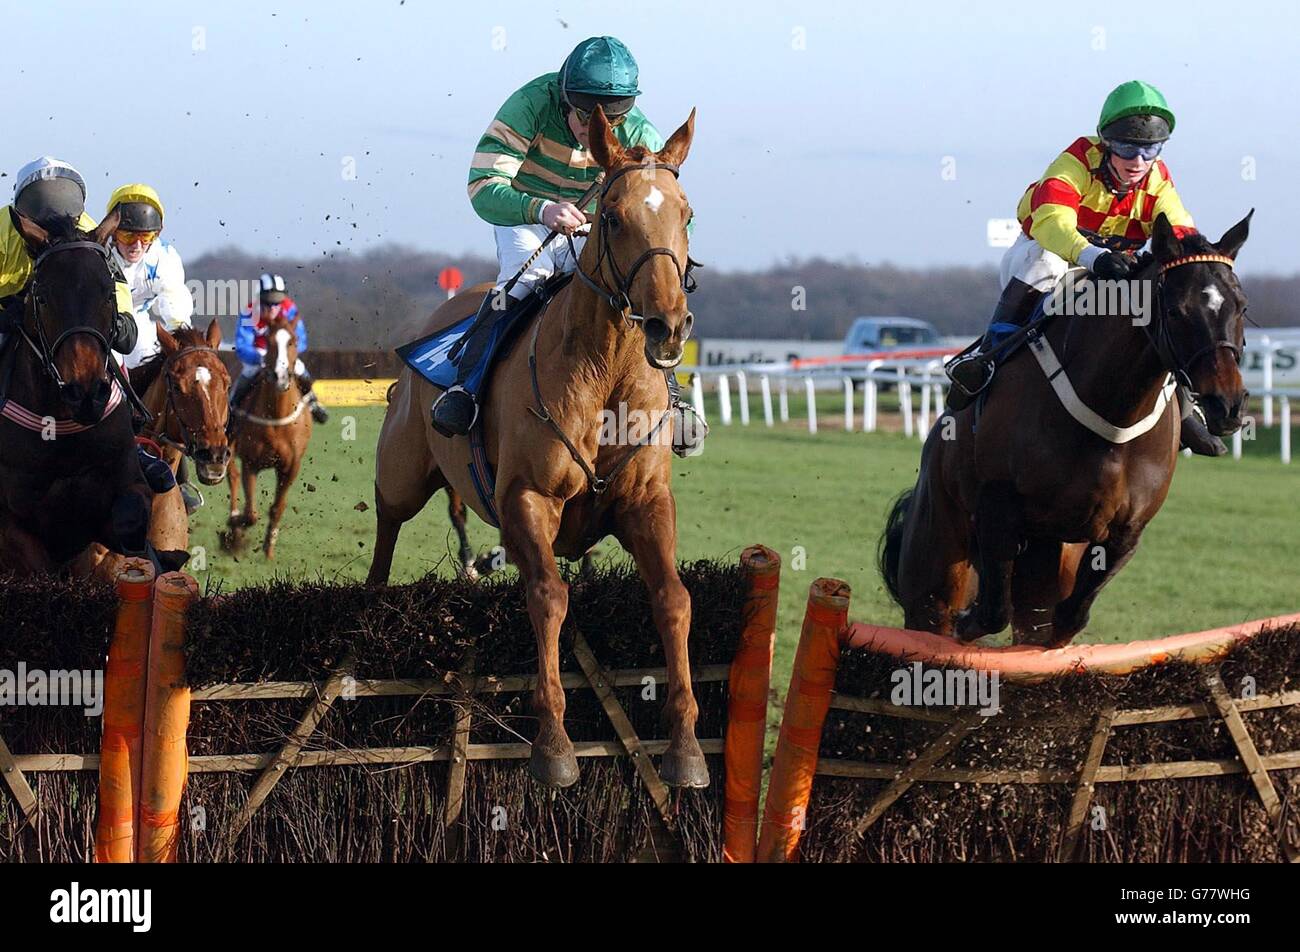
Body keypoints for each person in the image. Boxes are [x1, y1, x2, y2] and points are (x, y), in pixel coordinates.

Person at [431, 35, 705, 456]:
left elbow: (662, 211)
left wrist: (668, 261)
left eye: (617, 118)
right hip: (525, 214)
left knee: (635, 295)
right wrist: (541, 210)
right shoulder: (528, 107)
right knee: (526, 281)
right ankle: (464, 390)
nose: (602, 128)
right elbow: (482, 187)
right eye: (586, 116)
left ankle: (672, 401)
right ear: (564, 97)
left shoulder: (639, 132)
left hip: (598, 225)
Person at [944, 81, 1225, 455]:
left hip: (1116, 265)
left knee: (1165, 301)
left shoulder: (1157, 180)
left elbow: (1178, 230)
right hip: (1050, 251)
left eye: (1149, 149)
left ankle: (1184, 405)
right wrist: (1093, 256)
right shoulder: (1074, 162)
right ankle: (985, 364)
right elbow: (1052, 224)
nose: (1138, 162)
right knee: (1040, 264)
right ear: (1106, 142)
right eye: (1127, 147)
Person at [0, 157, 176, 492]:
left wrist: (123, 318)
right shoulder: (2, 229)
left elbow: (114, 283)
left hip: (57, 321)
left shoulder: (88, 228)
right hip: (11, 313)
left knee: (112, 358)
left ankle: (132, 447)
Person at [229, 273, 329, 425]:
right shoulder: (249, 312)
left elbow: (300, 340)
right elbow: (243, 345)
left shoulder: (290, 309)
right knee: (248, 372)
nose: (273, 307)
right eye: (268, 303)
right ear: (259, 299)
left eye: (276, 303)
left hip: (284, 352)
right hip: (259, 352)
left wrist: (288, 354)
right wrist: (260, 358)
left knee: (300, 369)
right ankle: (232, 408)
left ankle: (313, 402)